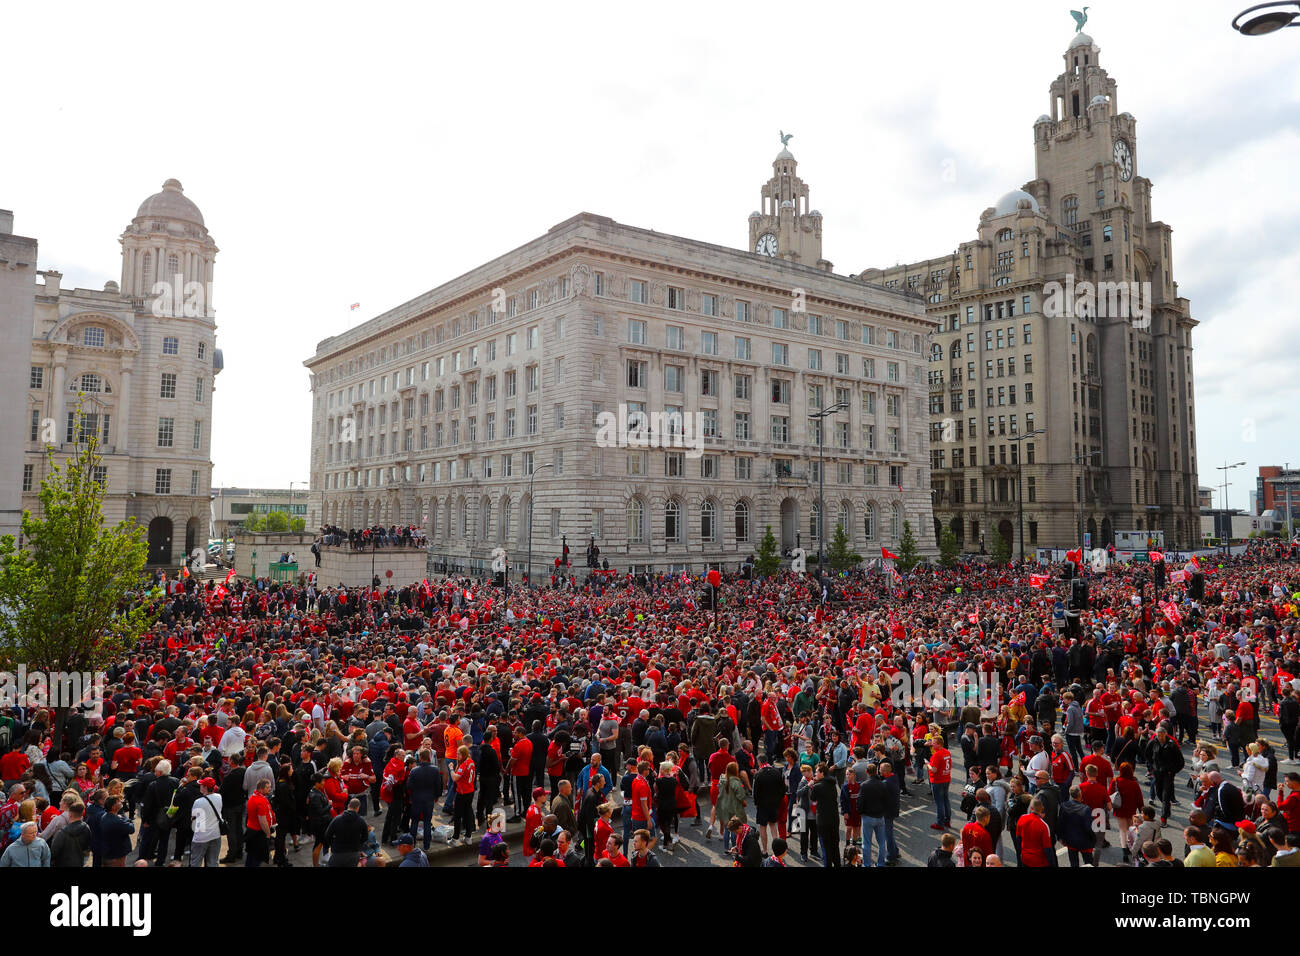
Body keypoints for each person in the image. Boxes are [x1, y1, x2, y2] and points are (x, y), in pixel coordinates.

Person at [188, 777, 223, 868]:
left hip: (201, 836)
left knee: (196, 862)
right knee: (213, 862)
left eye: (201, 785)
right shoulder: (219, 797)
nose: (200, 786)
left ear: (205, 788)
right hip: (215, 834)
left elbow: (193, 818)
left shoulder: (198, 802)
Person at [244, 777, 275, 867]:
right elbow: (262, 820)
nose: (270, 789)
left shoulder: (253, 797)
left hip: (251, 830)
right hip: (258, 833)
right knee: (257, 858)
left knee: (250, 856)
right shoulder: (260, 801)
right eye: (267, 787)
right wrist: (268, 834)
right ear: (261, 789)